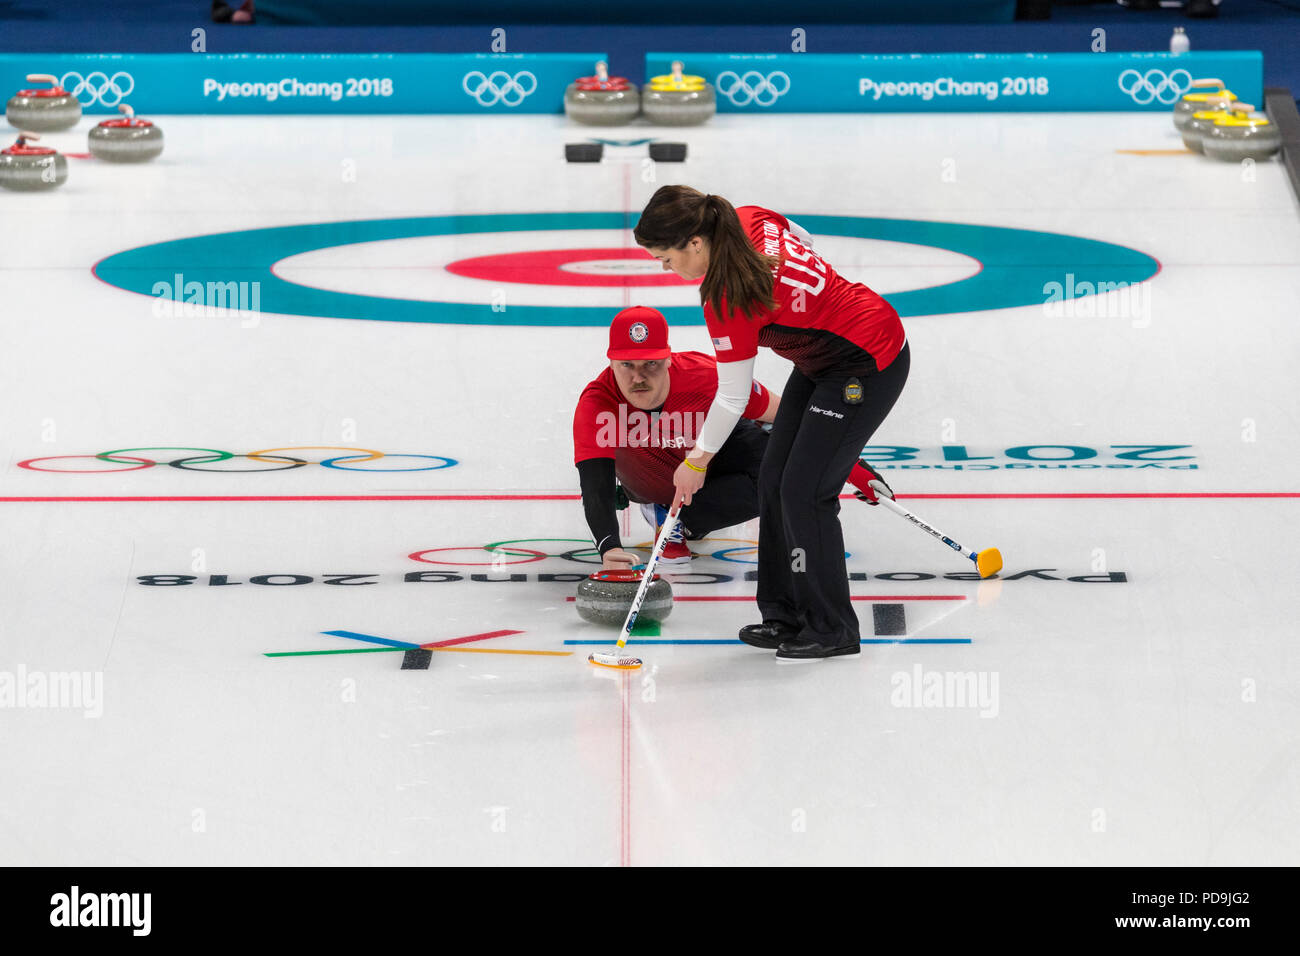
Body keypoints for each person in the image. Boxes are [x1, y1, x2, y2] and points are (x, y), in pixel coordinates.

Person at [634, 186, 909, 662]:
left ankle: (831, 628)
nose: (666, 269)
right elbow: (802, 236)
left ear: (695, 243)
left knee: (806, 492)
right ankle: (783, 613)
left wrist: (696, 463)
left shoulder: (726, 298)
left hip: (867, 360)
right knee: (774, 479)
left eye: (665, 258)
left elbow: (735, 395)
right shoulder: (746, 218)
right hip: (821, 361)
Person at [573, 306, 779, 570]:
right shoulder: (597, 404)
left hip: (712, 457)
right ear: (611, 362)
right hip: (653, 481)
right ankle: (665, 511)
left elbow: (783, 414)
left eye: (651, 363)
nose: (638, 377)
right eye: (626, 364)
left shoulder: (705, 376)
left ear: (668, 359)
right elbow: (595, 488)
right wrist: (610, 547)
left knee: (783, 469)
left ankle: (685, 519)